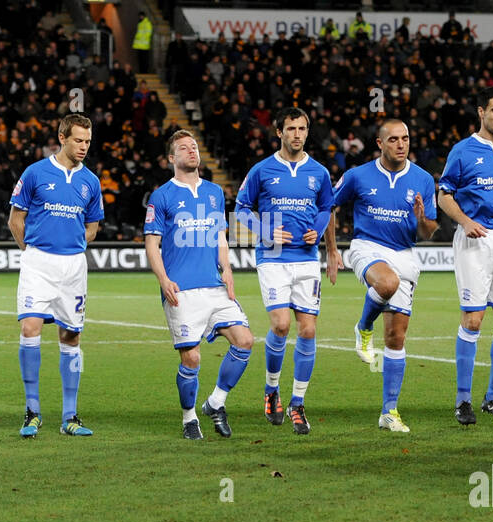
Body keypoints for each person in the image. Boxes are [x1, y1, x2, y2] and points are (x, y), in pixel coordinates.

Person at [328, 119, 438, 433]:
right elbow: (328, 207)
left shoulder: (423, 179)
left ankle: (389, 411)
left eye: (405, 138)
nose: (401, 144)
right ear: (380, 143)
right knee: (387, 283)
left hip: (405, 253)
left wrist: (421, 219)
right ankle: (363, 326)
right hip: (367, 247)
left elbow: (428, 232)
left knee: (395, 338)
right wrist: (333, 250)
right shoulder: (358, 175)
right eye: (393, 139)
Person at [145, 130, 253, 441]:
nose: (191, 151)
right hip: (181, 289)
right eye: (183, 148)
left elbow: (219, 235)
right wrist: (164, 280)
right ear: (171, 158)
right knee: (191, 358)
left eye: (194, 146)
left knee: (244, 340)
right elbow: (152, 244)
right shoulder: (162, 196)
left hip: (214, 286)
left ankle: (215, 403)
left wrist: (228, 269)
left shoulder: (214, 192)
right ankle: (189, 417)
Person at [234, 106, 335, 434]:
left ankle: (297, 403)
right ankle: (271, 389)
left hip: (306, 259)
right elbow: (240, 209)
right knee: (280, 325)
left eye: (302, 129)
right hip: (273, 257)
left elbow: (325, 207)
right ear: (279, 132)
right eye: (291, 129)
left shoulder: (318, 172)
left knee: (307, 330)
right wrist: (264, 229)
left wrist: (318, 231)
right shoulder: (262, 170)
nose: (297, 135)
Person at [9, 114, 105, 437]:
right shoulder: (35, 173)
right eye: (78, 140)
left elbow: (93, 225)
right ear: (62, 137)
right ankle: (32, 411)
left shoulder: (90, 181)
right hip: (38, 262)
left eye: (88, 142)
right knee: (30, 326)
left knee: (71, 336)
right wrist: (31, 249)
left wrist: (75, 240)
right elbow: (15, 219)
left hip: (73, 266)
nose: (83, 147)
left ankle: (70, 417)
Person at [437, 87, 493, 426]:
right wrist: (465, 221)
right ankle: (463, 400)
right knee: (473, 320)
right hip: (474, 240)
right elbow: (444, 195)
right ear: (481, 112)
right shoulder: (462, 151)